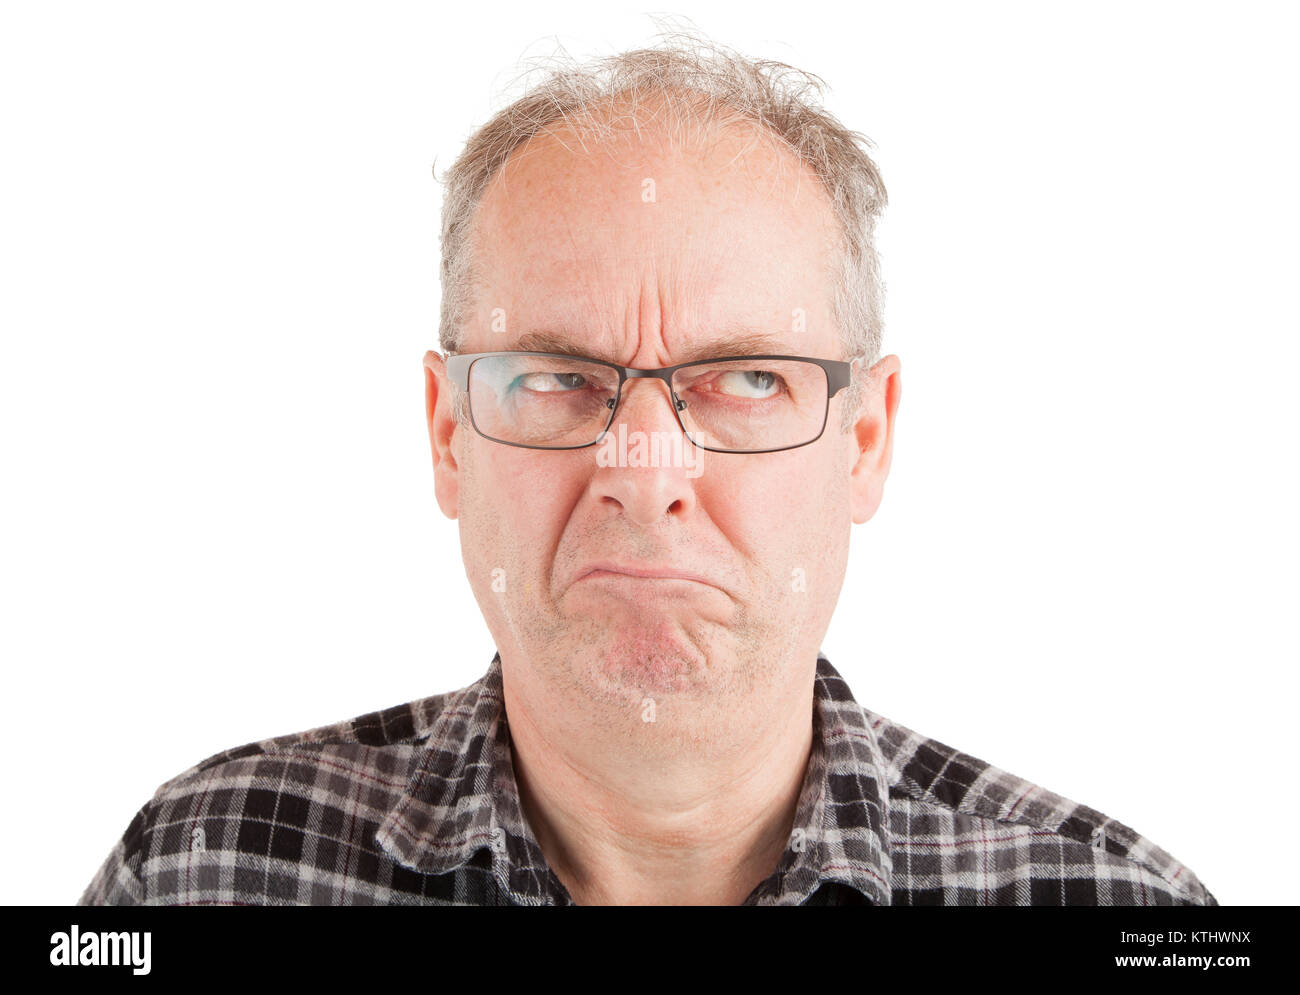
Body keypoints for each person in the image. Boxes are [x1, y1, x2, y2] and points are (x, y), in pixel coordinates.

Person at [79, 33, 1215, 907]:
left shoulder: (1122, 907)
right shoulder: (199, 872)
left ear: (864, 439)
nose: (644, 468)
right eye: (558, 377)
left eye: (749, 379)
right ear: (446, 433)